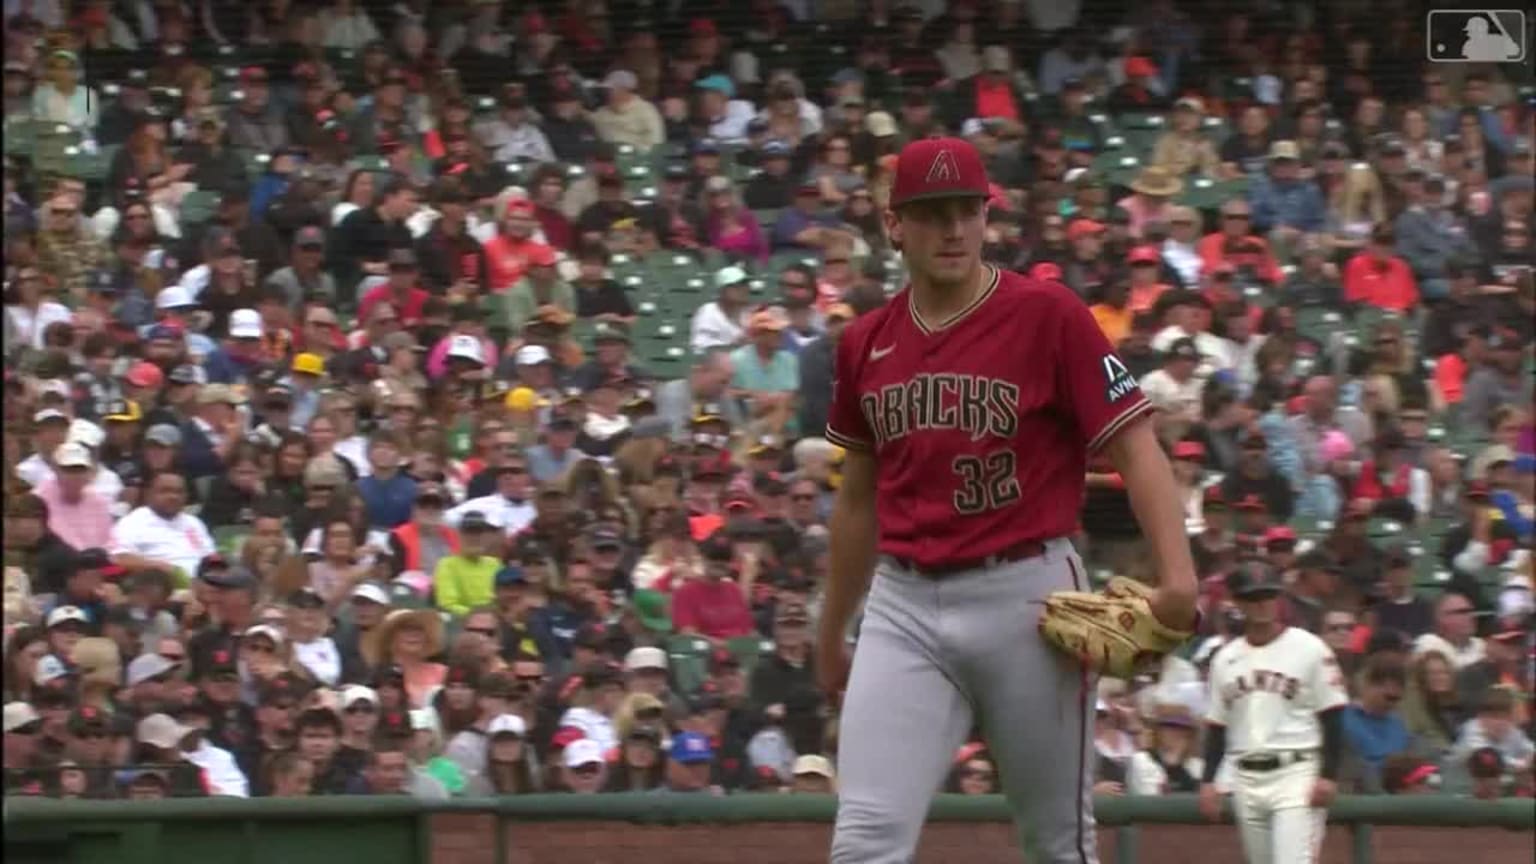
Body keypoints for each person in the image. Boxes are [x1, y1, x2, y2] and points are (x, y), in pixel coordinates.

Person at [819, 137, 1197, 864]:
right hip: (902, 606)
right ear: (894, 225)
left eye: (968, 210)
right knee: (864, 843)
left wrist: (1178, 576)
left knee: (1058, 846)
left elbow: (1134, 442)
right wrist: (833, 628)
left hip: (1028, 599)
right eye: (932, 214)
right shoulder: (864, 342)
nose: (954, 229)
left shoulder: (1047, 314)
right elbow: (857, 503)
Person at [1198, 562, 1349, 864]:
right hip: (1246, 777)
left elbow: (1332, 715)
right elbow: (1217, 725)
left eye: (1268, 595)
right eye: (1253, 597)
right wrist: (1208, 780)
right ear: (1238, 603)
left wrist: (1329, 774)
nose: (1262, 604)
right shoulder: (1225, 659)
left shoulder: (1309, 648)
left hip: (1296, 772)